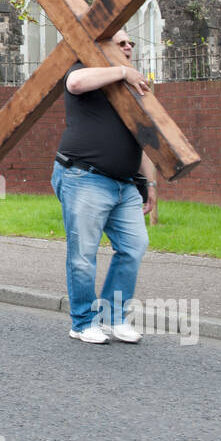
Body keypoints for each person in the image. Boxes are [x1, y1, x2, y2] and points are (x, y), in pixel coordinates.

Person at [51, 28, 157, 345]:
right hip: (84, 177)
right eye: (120, 42)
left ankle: (113, 318)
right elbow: (74, 84)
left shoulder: (134, 90)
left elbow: (142, 138)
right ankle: (82, 322)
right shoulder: (83, 69)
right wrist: (123, 71)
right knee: (83, 254)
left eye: (130, 44)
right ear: (103, 47)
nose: (127, 47)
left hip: (124, 185)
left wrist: (149, 182)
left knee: (134, 246)